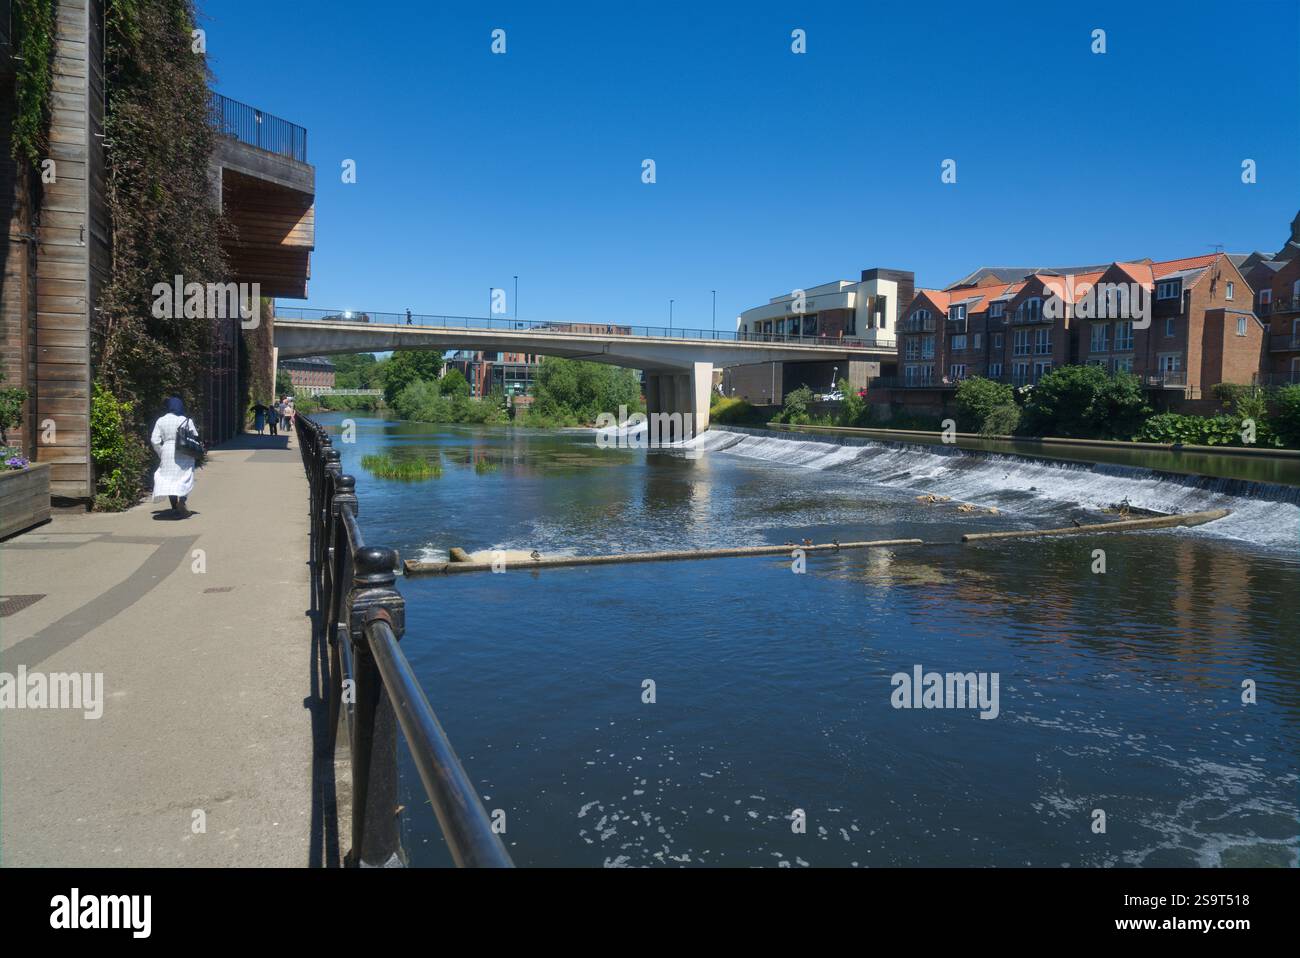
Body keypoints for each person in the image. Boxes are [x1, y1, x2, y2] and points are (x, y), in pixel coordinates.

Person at [150, 396, 198, 515]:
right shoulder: (186, 420)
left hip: (167, 451)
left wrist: (161, 452)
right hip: (184, 452)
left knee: (169, 478)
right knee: (185, 476)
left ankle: (174, 507)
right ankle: (182, 500)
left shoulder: (161, 420)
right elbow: (194, 436)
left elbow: (154, 440)